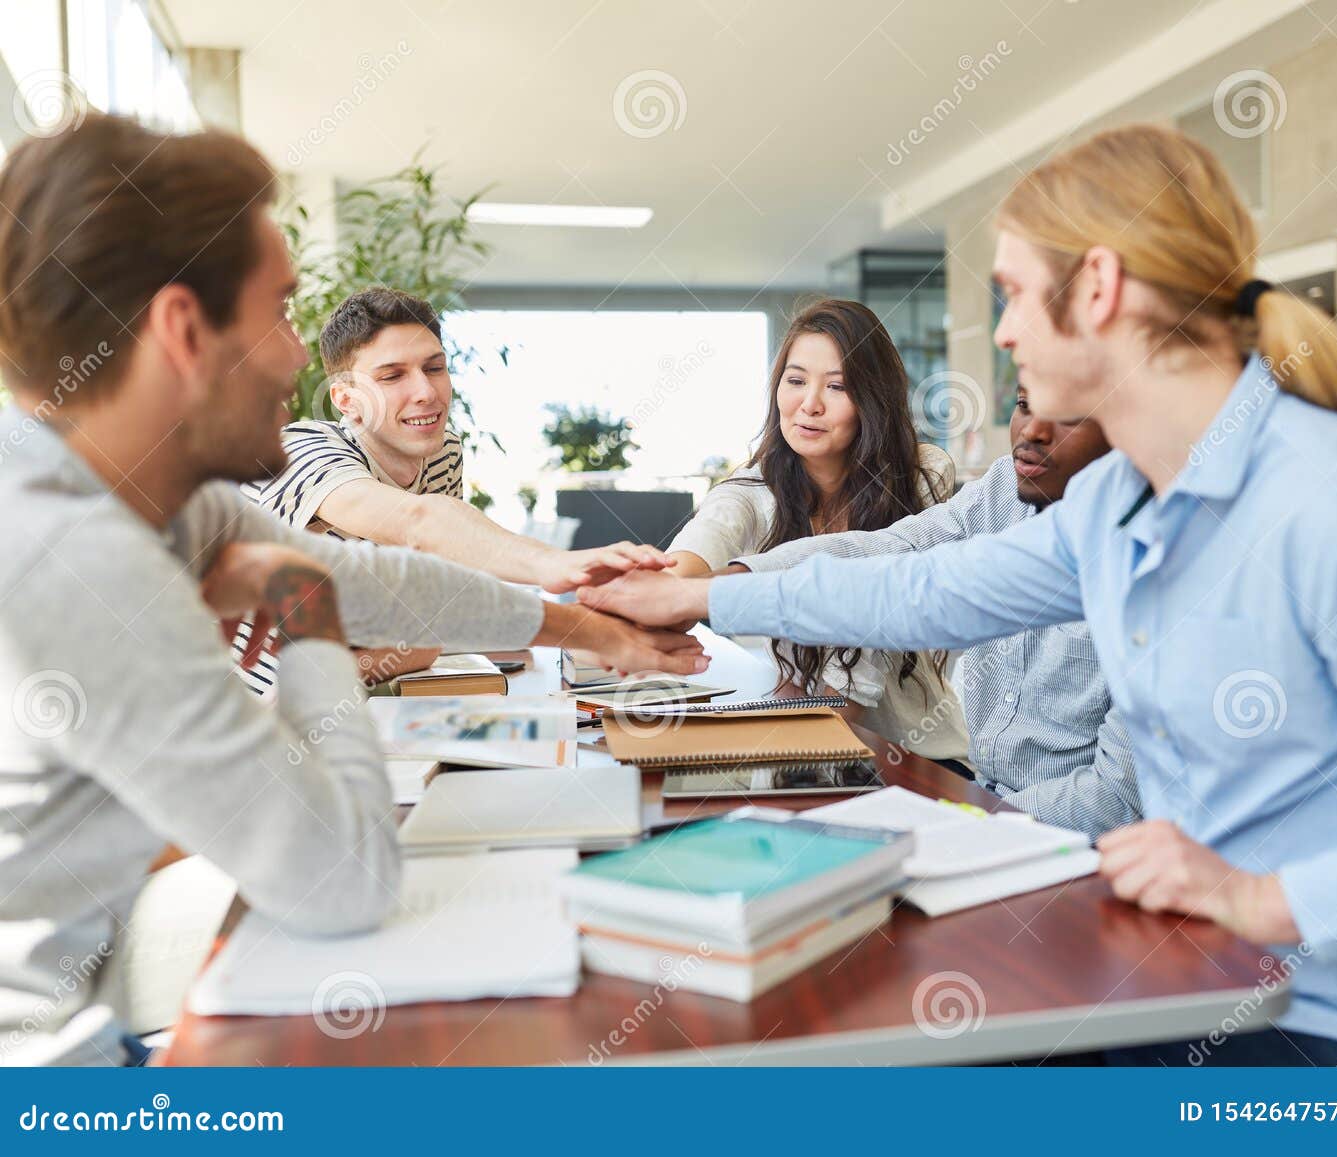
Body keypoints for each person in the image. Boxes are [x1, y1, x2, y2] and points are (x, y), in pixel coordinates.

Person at [580, 123, 1337, 1067]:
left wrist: (1271, 896)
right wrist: (703, 596)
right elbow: (926, 585)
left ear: (1099, 287)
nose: (1005, 332)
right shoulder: (1120, 500)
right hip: (1195, 983)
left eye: (1014, 294)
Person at [0, 114, 704, 1066]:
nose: (299, 356)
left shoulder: (142, 495)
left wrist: (592, 631)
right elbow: (345, 880)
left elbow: (378, 580)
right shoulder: (75, 557)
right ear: (183, 331)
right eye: (281, 312)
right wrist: (304, 608)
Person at [722, 385, 1137, 834]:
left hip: (1065, 836)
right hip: (977, 795)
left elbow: (1114, 800)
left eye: (1068, 415)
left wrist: (958, 823)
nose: (1032, 430)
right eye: (1022, 405)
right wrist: (720, 586)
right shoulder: (1004, 488)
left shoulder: (1147, 554)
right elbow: (896, 551)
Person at [232, 287, 672, 694]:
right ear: (346, 400)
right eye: (392, 376)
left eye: (434, 368)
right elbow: (418, 524)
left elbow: (431, 609)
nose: (426, 392)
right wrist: (554, 564)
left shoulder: (443, 452)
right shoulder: (299, 450)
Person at [665, 298, 967, 764]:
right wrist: (663, 593)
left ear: (873, 399)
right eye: (796, 381)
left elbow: (875, 611)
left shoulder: (923, 473)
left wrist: (789, 743)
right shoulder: (752, 489)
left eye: (837, 386)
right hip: (810, 742)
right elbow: (697, 549)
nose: (809, 405)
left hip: (919, 756)